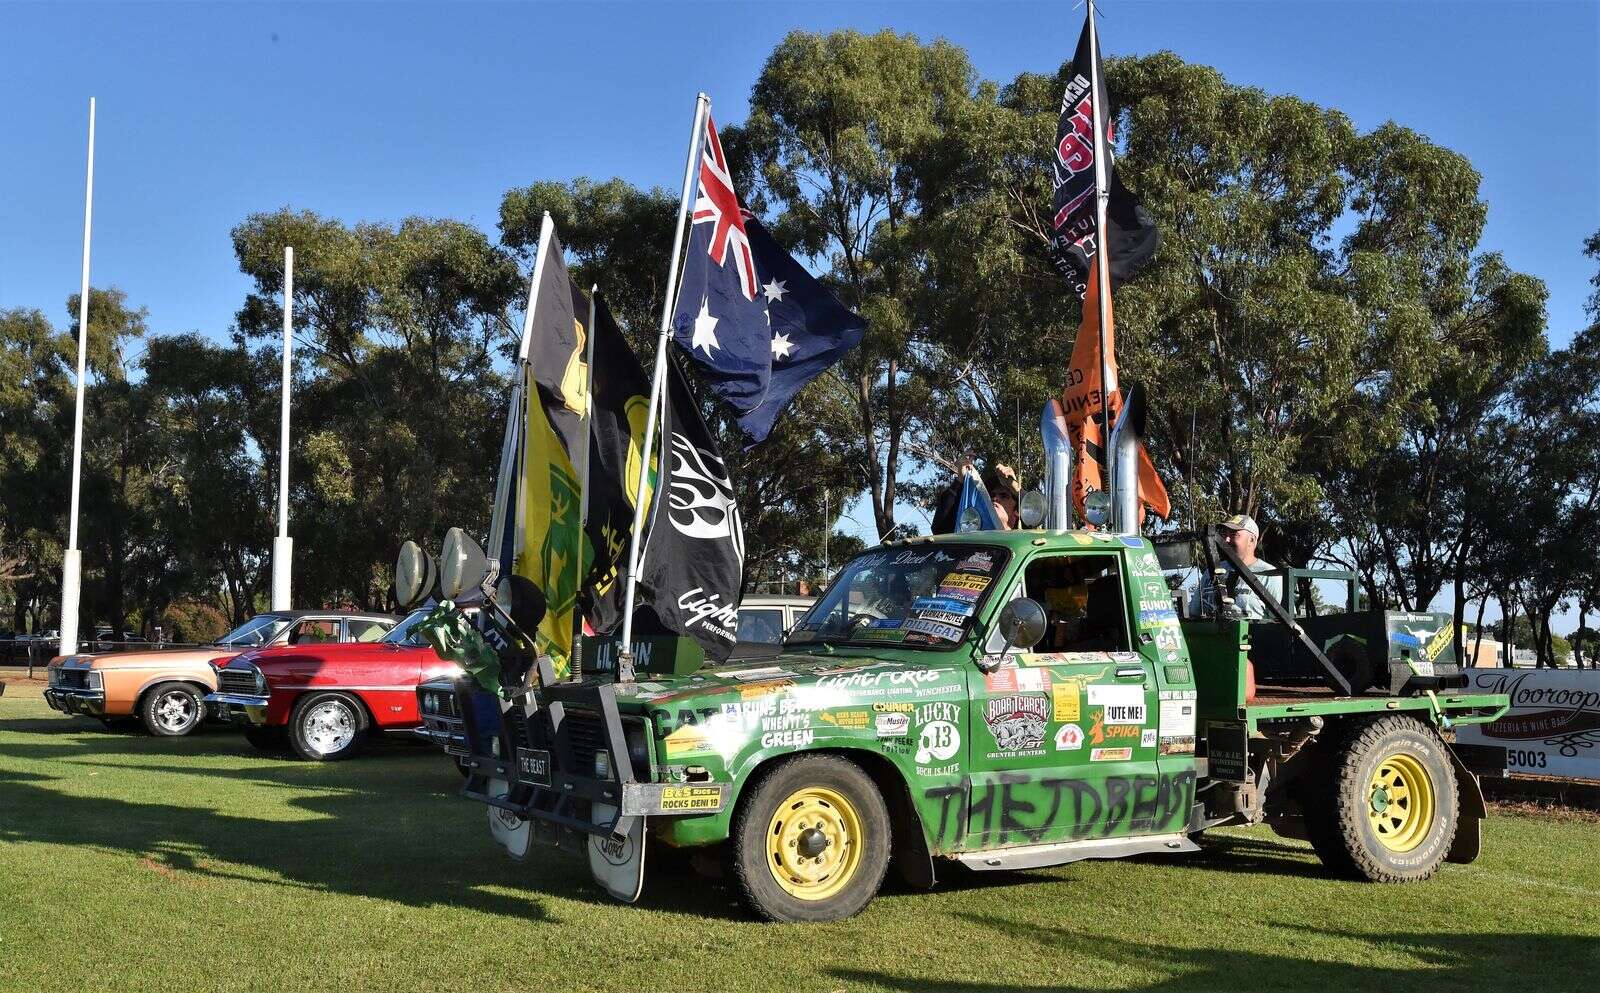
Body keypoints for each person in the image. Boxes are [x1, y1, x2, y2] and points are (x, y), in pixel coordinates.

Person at [1189, 514, 1283, 620]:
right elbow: (1194, 612)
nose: (1226, 539)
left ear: (1251, 540)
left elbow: (1279, 624)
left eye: (1234, 534)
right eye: (1224, 534)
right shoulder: (1211, 571)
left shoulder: (1271, 575)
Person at [931, 460, 1021, 534]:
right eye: (992, 495)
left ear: (1016, 514)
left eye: (1003, 496)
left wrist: (1015, 488)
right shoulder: (972, 538)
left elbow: (1033, 519)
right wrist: (959, 481)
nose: (994, 498)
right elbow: (940, 529)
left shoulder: (1024, 542)